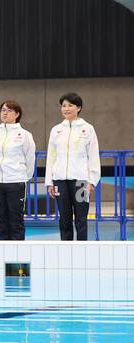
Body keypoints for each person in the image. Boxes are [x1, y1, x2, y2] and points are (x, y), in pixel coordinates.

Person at [45, 92, 101, 241]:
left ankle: (82, 253)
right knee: (64, 219)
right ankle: (66, 252)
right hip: (59, 181)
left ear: (79, 108)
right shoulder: (56, 130)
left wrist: (92, 181)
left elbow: (94, 156)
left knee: (81, 219)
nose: (66, 109)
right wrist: (49, 182)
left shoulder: (88, 129)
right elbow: (51, 157)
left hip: (81, 181)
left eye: (70, 105)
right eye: (63, 106)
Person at [0, 100, 36, 241]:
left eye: (9, 110)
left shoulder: (25, 135)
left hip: (16, 182)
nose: (5, 113)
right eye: (3, 110)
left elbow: (29, 158)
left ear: (17, 114)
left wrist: (21, 176)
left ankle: (17, 257)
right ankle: (4, 255)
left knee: (16, 222)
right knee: (1, 222)